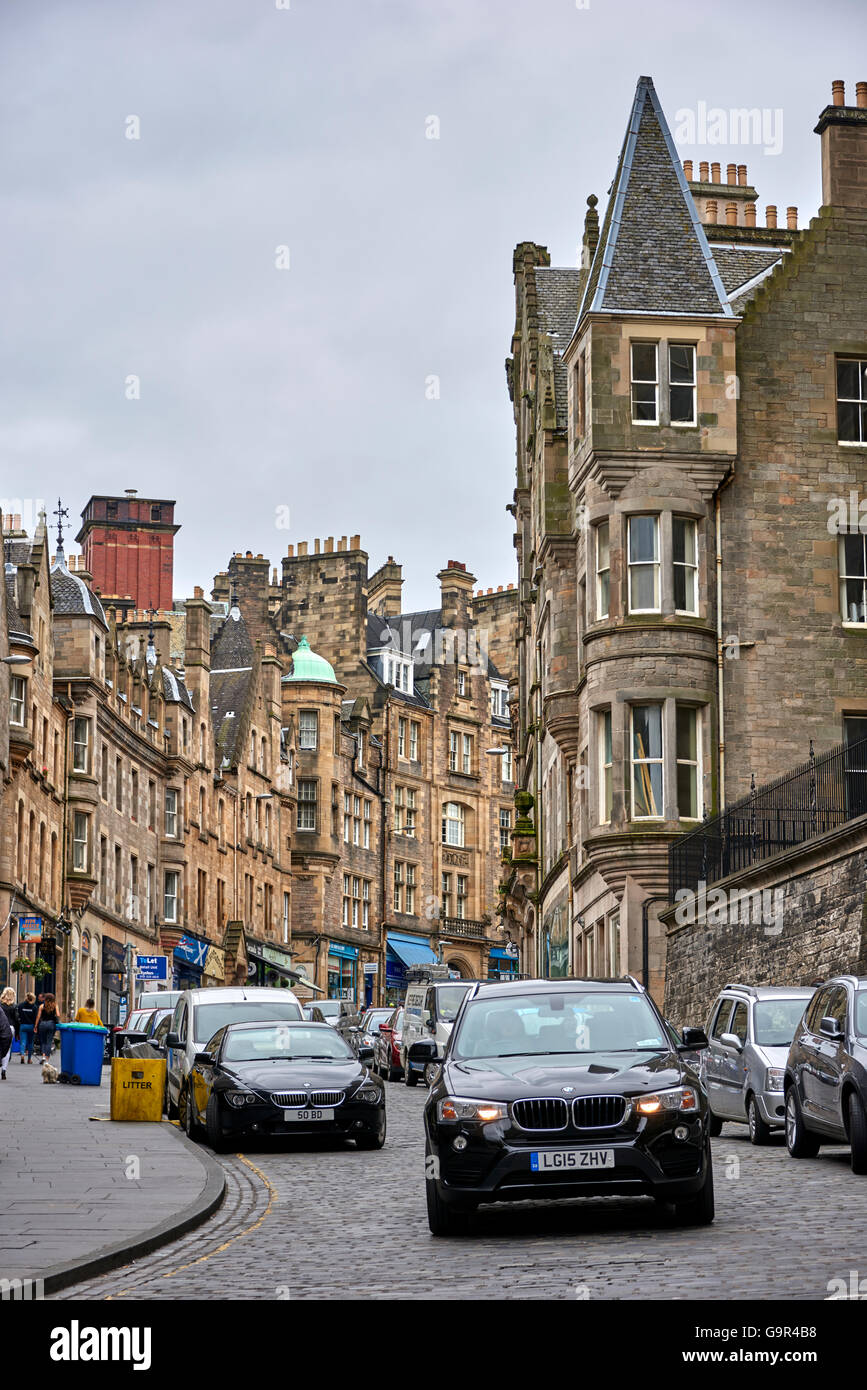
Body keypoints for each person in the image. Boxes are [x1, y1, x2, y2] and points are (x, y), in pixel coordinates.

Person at [35, 993, 60, 1062]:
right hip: (51, 1024)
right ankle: (47, 1059)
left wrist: (35, 1026)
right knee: (49, 1041)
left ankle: (43, 1056)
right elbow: (58, 1015)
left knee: (43, 1041)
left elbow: (38, 1017)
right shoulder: (55, 1006)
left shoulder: (41, 1006)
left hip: (42, 1024)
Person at [0, 988, 19, 1079]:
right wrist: (17, 1033)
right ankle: (4, 1070)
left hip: (0, 1027)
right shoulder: (14, 1006)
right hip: (10, 1028)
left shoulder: (1, 1005)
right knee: (7, 1050)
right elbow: (16, 1020)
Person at [17, 993, 38, 1064]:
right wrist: (36, 1026)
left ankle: (22, 1055)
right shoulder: (34, 1007)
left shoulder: (20, 1006)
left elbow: (18, 1015)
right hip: (31, 1026)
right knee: (30, 1042)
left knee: (23, 1041)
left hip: (23, 1025)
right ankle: (29, 1059)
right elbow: (36, 1018)